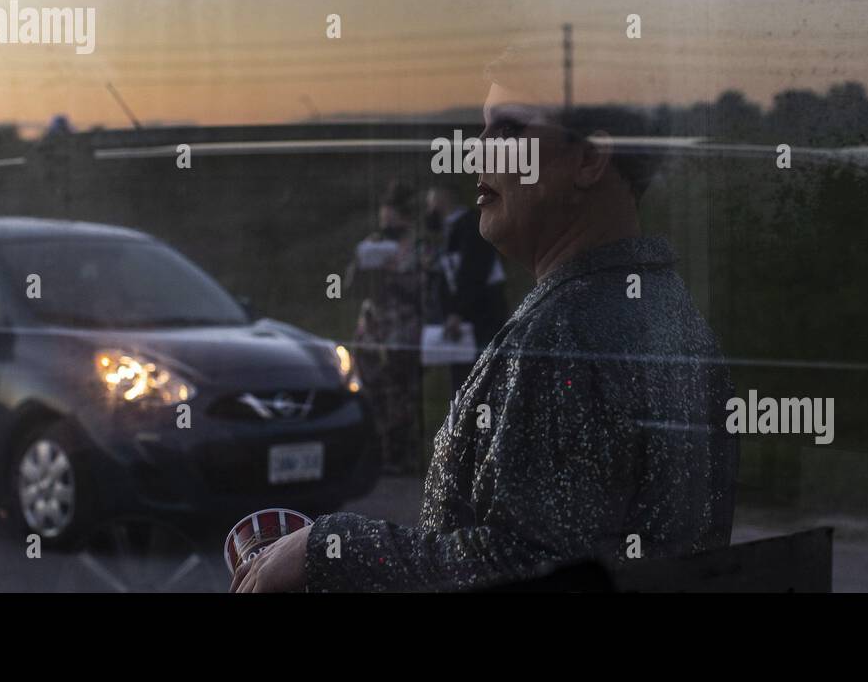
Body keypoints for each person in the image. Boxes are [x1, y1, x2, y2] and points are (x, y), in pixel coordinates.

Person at [233, 51, 736, 592]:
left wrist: (327, 549)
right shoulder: (661, 306)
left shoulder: (568, 333)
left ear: (589, 161)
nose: (476, 149)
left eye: (510, 128)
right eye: (481, 130)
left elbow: (526, 568)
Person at [345, 182, 425, 476]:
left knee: (402, 393)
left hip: (402, 331)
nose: (387, 220)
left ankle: (404, 456)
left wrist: (392, 274)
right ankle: (378, 454)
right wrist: (367, 270)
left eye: (392, 214)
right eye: (384, 213)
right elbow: (350, 286)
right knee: (372, 392)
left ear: (405, 216)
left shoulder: (418, 245)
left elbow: (426, 289)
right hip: (371, 331)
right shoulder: (371, 243)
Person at [424, 185, 508, 395]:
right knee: (463, 382)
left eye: (430, 202)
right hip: (465, 323)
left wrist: (457, 312)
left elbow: (472, 272)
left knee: (482, 380)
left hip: (482, 317)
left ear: (442, 198)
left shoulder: (470, 226)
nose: (429, 209)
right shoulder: (449, 231)